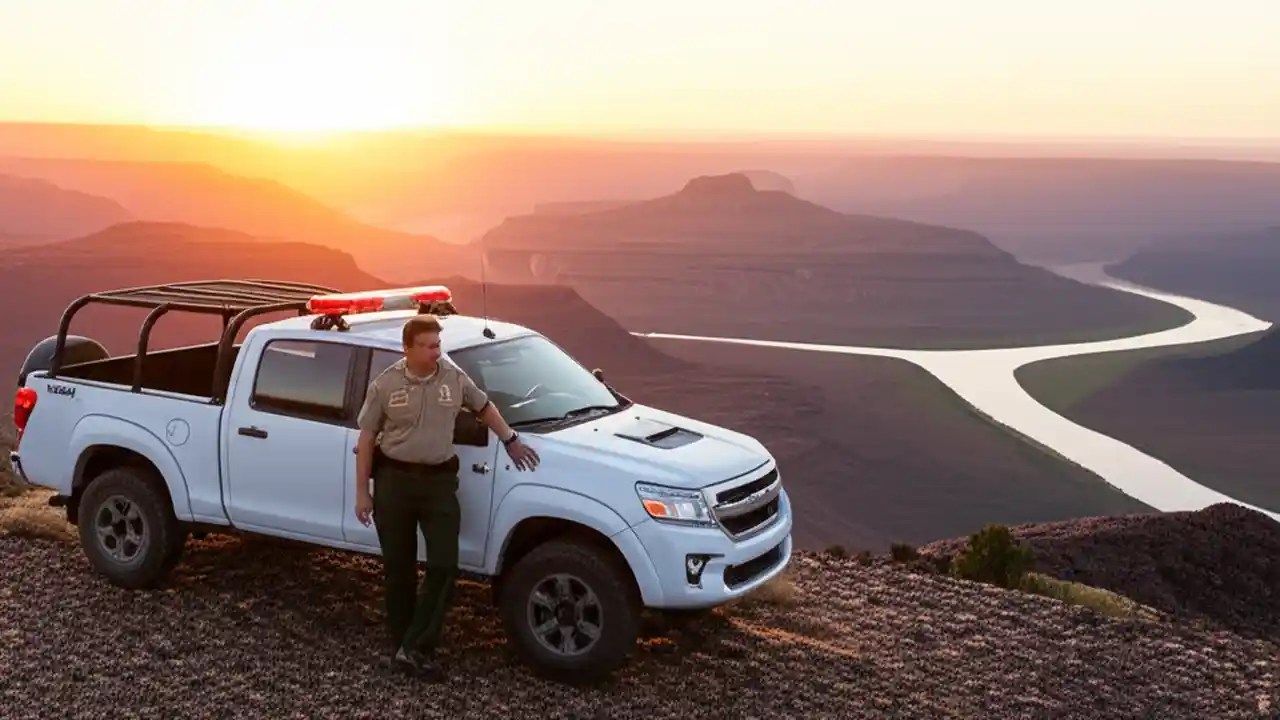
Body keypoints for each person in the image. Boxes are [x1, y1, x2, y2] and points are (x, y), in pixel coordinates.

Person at [354, 314, 539, 679]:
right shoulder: (385, 385)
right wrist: (363, 493)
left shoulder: (453, 378)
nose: (435, 352)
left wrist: (511, 440)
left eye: (437, 345)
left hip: (439, 483)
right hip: (394, 481)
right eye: (427, 346)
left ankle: (414, 646)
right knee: (399, 569)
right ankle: (405, 646)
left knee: (443, 564)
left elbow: (484, 407)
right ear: (407, 348)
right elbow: (366, 438)